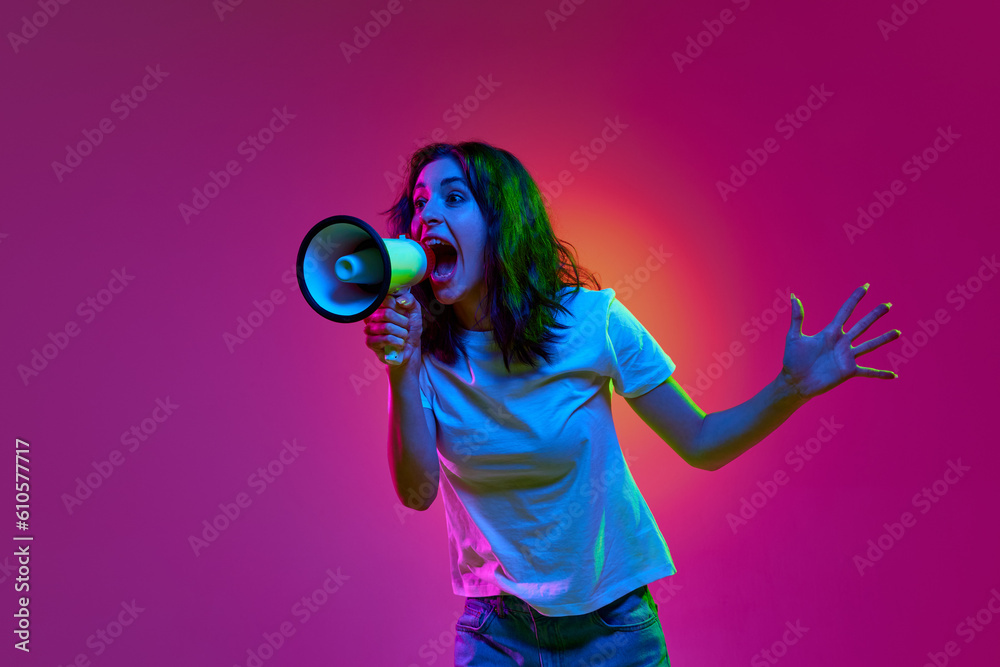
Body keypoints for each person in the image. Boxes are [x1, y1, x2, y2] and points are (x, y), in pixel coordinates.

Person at [362, 141, 900, 666]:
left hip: (613, 629)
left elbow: (702, 443)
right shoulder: (423, 353)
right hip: (496, 631)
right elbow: (417, 493)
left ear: (503, 221)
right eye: (421, 202)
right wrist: (401, 370)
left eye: (453, 198)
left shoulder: (592, 322)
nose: (425, 217)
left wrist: (792, 387)